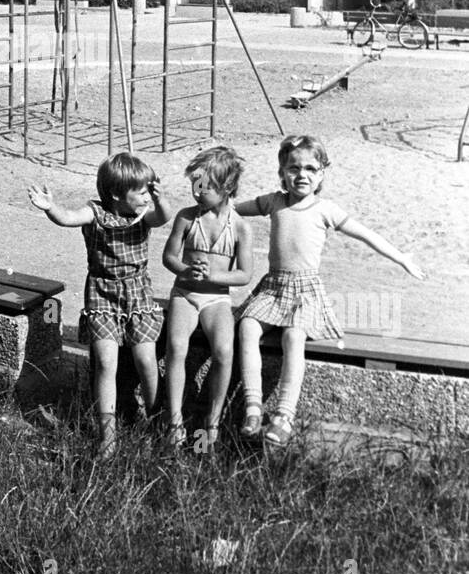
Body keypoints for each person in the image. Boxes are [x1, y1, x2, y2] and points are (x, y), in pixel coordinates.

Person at [235, 134, 424, 447]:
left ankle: (284, 415)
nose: (302, 174)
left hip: (305, 291)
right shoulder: (273, 202)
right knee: (247, 326)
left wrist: (401, 257)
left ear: (321, 174)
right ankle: (253, 407)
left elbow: (366, 235)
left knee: (293, 336)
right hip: (272, 287)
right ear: (282, 171)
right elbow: (232, 210)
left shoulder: (326, 209)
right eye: (293, 167)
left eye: (310, 168)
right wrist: (205, 208)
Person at [29, 152, 172, 459]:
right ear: (118, 194)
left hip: (138, 293)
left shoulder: (143, 214)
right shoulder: (94, 212)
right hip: (102, 294)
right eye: (142, 191)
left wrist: (159, 200)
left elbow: (163, 217)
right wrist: (50, 207)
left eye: (149, 189)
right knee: (106, 363)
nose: (147, 196)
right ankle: (108, 436)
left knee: (146, 359)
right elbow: (67, 218)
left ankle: (158, 422)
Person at [162, 146, 253, 449]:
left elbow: (243, 274)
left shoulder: (239, 226)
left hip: (217, 298)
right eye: (194, 184)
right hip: (185, 294)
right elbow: (169, 257)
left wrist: (214, 277)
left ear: (227, 188)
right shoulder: (187, 218)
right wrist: (186, 271)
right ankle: (174, 419)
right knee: (176, 346)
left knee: (224, 351)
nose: (197, 192)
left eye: (205, 186)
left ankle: (210, 422)